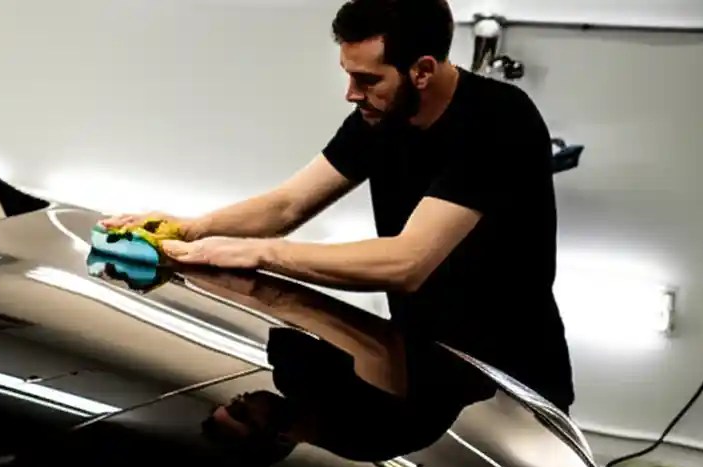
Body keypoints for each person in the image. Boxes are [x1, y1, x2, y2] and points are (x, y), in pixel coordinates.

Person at [102, 0, 574, 412]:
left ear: (422, 70)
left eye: (367, 79)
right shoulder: (380, 116)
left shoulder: (497, 121)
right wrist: (190, 228)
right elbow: (286, 206)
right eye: (348, 75)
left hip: (511, 379)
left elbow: (408, 262)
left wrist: (262, 254)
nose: (351, 93)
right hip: (420, 360)